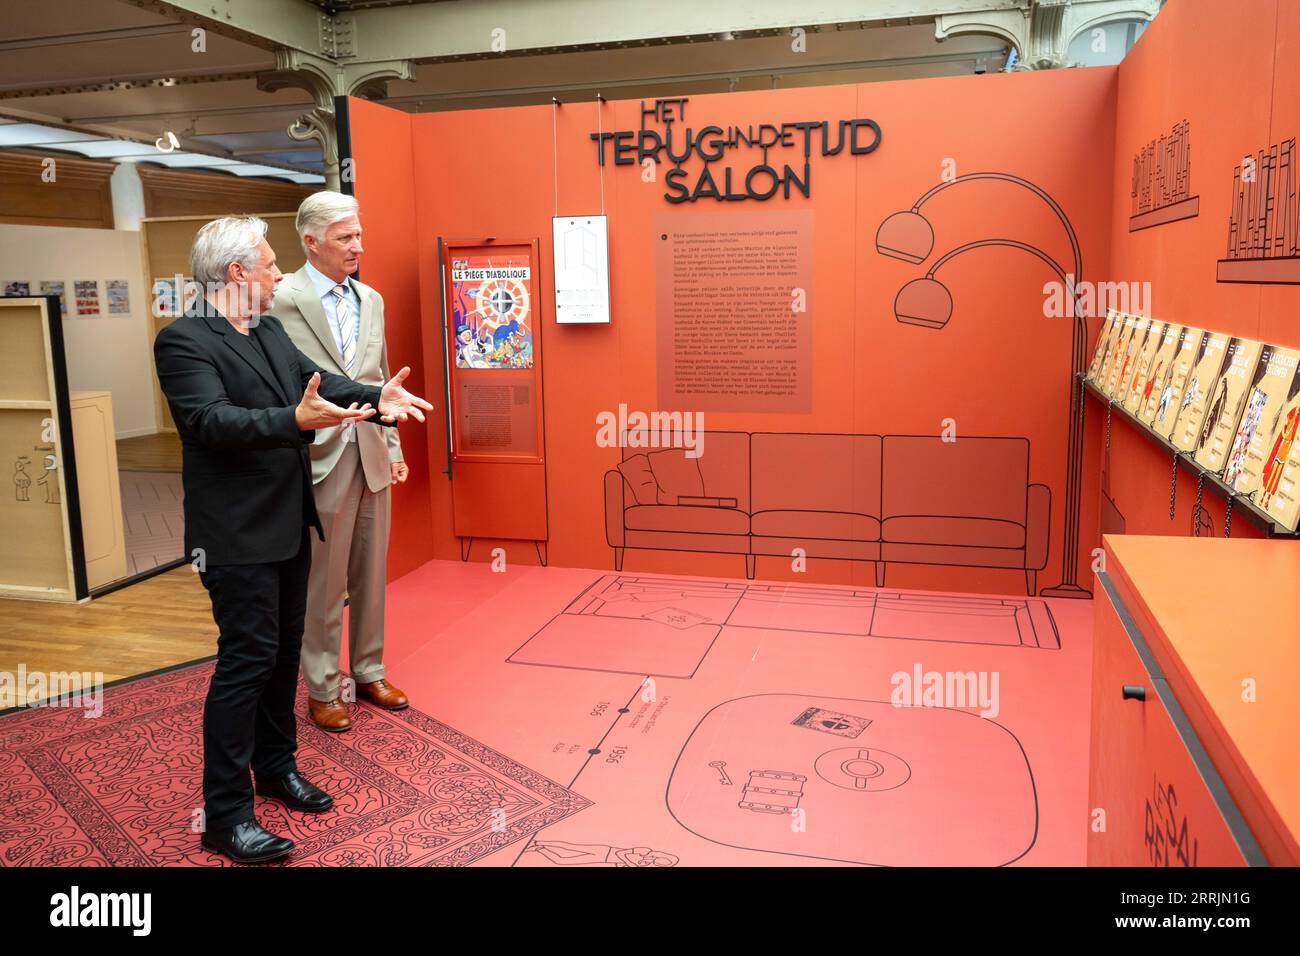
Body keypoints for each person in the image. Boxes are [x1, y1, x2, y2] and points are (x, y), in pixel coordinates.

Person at [153, 216, 432, 863]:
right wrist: (293, 419)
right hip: (234, 537)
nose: (279, 275)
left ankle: (276, 769)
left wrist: (375, 398)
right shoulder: (184, 342)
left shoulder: (271, 331)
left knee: (282, 658)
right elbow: (210, 421)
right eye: (271, 264)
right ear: (237, 274)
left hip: (286, 524)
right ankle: (225, 815)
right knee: (244, 665)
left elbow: (321, 386)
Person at [268, 191, 410, 731]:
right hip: (316, 457)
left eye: (359, 235)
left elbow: (383, 378)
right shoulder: (281, 297)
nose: (358, 246)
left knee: (371, 572)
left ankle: (369, 669)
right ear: (310, 242)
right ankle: (323, 686)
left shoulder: (370, 298)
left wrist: (393, 447)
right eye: (345, 237)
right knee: (323, 581)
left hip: (372, 453)